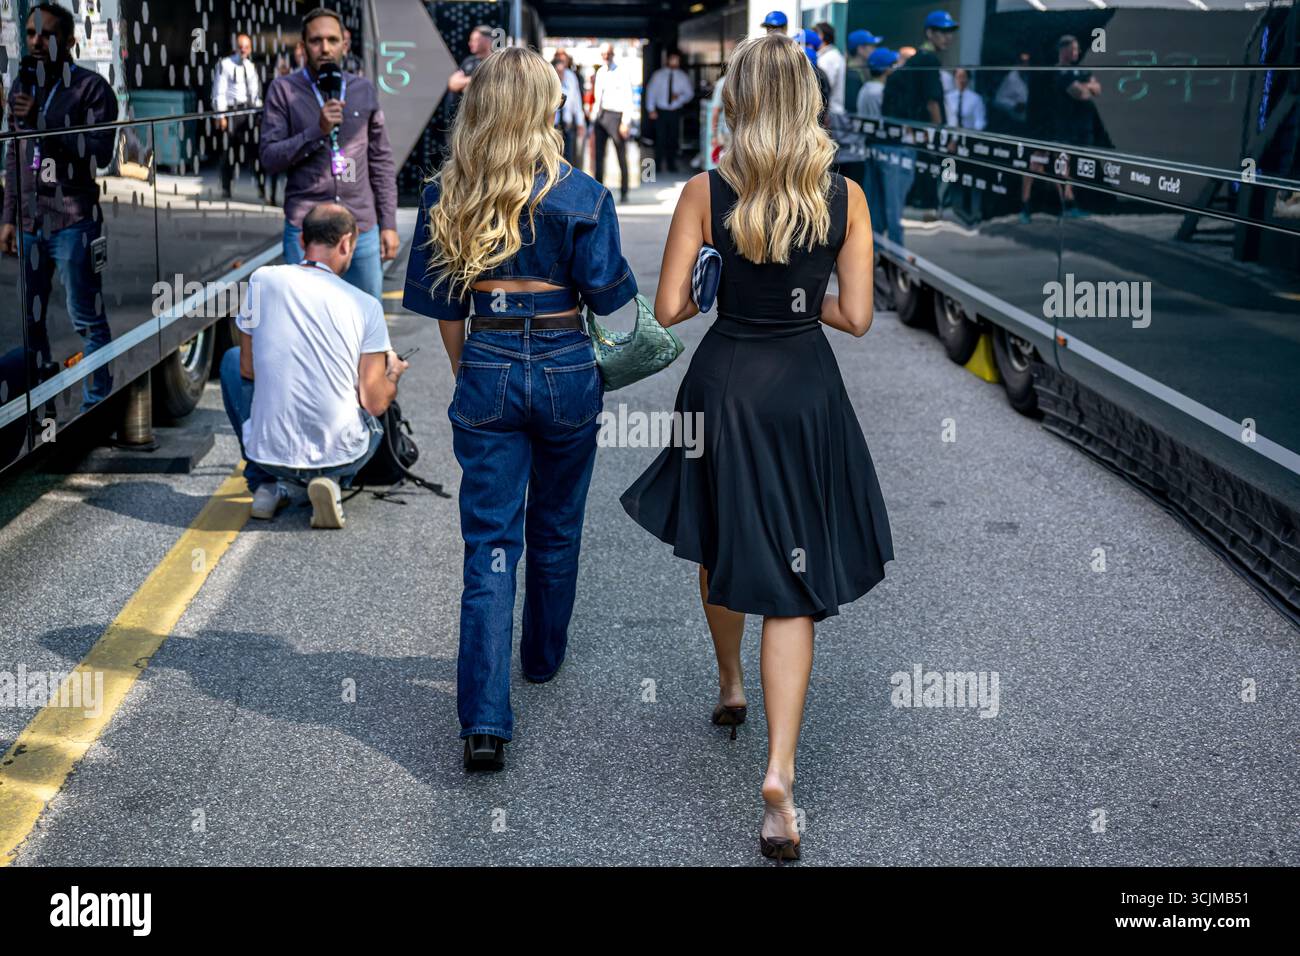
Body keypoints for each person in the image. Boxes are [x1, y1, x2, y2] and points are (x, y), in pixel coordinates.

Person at [620, 34, 893, 863]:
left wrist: (715, 275)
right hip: (804, 386)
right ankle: (779, 776)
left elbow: (668, 308)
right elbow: (856, 317)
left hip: (724, 383)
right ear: (808, 100)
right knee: (794, 584)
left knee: (721, 531)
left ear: (736, 102)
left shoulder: (707, 188)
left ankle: (732, 685)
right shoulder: (843, 194)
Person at [402, 47, 637, 772]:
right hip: (567, 366)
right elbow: (613, 301)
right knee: (557, 526)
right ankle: (540, 658)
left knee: (490, 542)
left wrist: (471, 369)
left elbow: (444, 310)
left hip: (488, 360)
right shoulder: (583, 195)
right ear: (545, 107)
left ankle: (484, 721)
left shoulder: (448, 194)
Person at [219, 203, 405, 528]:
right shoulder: (365, 306)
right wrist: (392, 374)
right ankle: (332, 480)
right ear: (347, 243)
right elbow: (374, 402)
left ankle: (265, 486)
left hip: (270, 455)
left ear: (302, 240)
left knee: (232, 361)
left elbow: (248, 370)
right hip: (344, 453)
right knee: (372, 399)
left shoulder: (262, 280)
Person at [1, 3, 117, 411]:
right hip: (31, 221)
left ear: (69, 41)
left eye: (47, 34)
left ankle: (97, 404)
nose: (36, 41)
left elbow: (100, 154)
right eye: (31, 33)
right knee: (31, 324)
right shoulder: (22, 84)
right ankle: (41, 407)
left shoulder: (90, 88)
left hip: (72, 220)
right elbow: (15, 154)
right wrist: (8, 216)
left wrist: (45, 124)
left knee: (85, 318)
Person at [259, 6, 399, 302]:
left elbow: (381, 162)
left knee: (365, 322)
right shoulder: (283, 90)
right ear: (303, 46)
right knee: (307, 324)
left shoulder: (363, 90)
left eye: (332, 40)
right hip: (306, 230)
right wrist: (316, 130)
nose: (325, 48)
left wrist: (388, 224)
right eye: (316, 40)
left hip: (360, 229)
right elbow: (270, 158)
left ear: (344, 45)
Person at [882, 10, 958, 226]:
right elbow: (932, 101)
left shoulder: (915, 60)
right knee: (930, 187)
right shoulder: (929, 59)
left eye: (950, 32)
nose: (948, 37)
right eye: (943, 32)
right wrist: (940, 135)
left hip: (914, 134)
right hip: (926, 135)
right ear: (930, 33)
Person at [212, 33, 263, 200]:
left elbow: (255, 92)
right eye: (241, 47)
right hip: (231, 111)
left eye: (246, 47)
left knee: (255, 152)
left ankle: (261, 187)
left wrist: (259, 113)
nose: (243, 50)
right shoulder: (225, 64)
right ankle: (226, 187)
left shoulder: (250, 66)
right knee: (229, 153)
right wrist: (221, 115)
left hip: (248, 111)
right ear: (236, 47)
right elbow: (219, 90)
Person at [860, 48, 900, 238]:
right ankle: (895, 249)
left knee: (873, 201)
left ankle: (873, 246)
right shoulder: (882, 92)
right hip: (886, 146)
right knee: (892, 203)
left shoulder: (865, 88)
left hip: (869, 146)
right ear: (887, 69)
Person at [592, 43, 633, 202]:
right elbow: (598, 97)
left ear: (613, 54)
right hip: (602, 115)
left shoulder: (621, 72)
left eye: (608, 53)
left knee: (621, 155)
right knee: (599, 156)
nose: (606, 56)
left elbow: (628, 98)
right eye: (603, 54)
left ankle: (624, 191)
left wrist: (625, 122)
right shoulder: (601, 72)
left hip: (617, 116)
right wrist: (594, 117)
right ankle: (598, 192)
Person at [645, 49, 693, 175]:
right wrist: (651, 109)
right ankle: (658, 165)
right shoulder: (658, 75)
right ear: (668, 60)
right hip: (660, 111)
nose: (674, 62)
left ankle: (672, 164)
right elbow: (651, 92)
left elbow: (689, 94)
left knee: (673, 138)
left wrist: (680, 97)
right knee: (660, 138)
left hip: (675, 111)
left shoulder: (682, 76)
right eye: (672, 59)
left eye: (676, 60)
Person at [446, 25, 493, 119]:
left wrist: (466, 82)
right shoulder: (469, 62)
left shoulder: (495, 62)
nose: (470, 43)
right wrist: (474, 80)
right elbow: (453, 83)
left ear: (487, 41)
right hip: (464, 116)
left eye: (475, 40)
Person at [553, 51, 585, 168]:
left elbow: (576, 101)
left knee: (569, 156)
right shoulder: (550, 74)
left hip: (568, 122)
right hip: (554, 124)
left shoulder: (571, 77)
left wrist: (580, 122)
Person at [844, 28, 882, 117]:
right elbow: (852, 108)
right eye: (872, 46)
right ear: (860, 49)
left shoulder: (862, 70)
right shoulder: (852, 75)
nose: (875, 49)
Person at [813, 21, 846, 114]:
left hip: (831, 114)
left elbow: (824, 89)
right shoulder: (831, 55)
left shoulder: (828, 58)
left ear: (821, 36)